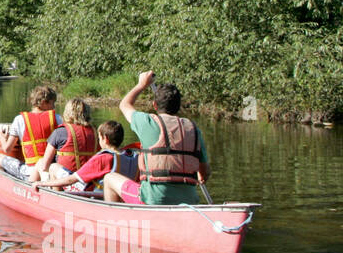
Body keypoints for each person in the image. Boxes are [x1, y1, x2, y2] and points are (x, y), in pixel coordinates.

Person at [105, 70, 210, 205]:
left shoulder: (148, 122)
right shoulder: (194, 129)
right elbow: (205, 172)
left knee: (109, 178)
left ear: (155, 105)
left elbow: (124, 105)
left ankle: (117, 222)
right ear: (179, 106)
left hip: (154, 199)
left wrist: (141, 85)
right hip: (189, 200)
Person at [49, 120, 140, 194]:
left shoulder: (104, 158)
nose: (99, 141)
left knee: (54, 167)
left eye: (99, 138)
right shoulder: (134, 156)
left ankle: (57, 202)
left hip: (92, 194)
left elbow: (71, 180)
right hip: (120, 194)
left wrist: (44, 183)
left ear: (105, 139)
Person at [0, 86, 62, 176]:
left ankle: (6, 184)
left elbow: (7, 149)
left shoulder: (20, 120)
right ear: (43, 102)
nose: (54, 107)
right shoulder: (57, 118)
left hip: (30, 171)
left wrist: (2, 139)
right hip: (51, 169)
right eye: (52, 103)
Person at [28, 98, 97, 182]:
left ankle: (29, 189)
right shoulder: (95, 133)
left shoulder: (60, 132)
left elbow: (45, 166)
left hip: (64, 182)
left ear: (67, 113)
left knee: (40, 162)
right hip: (88, 181)